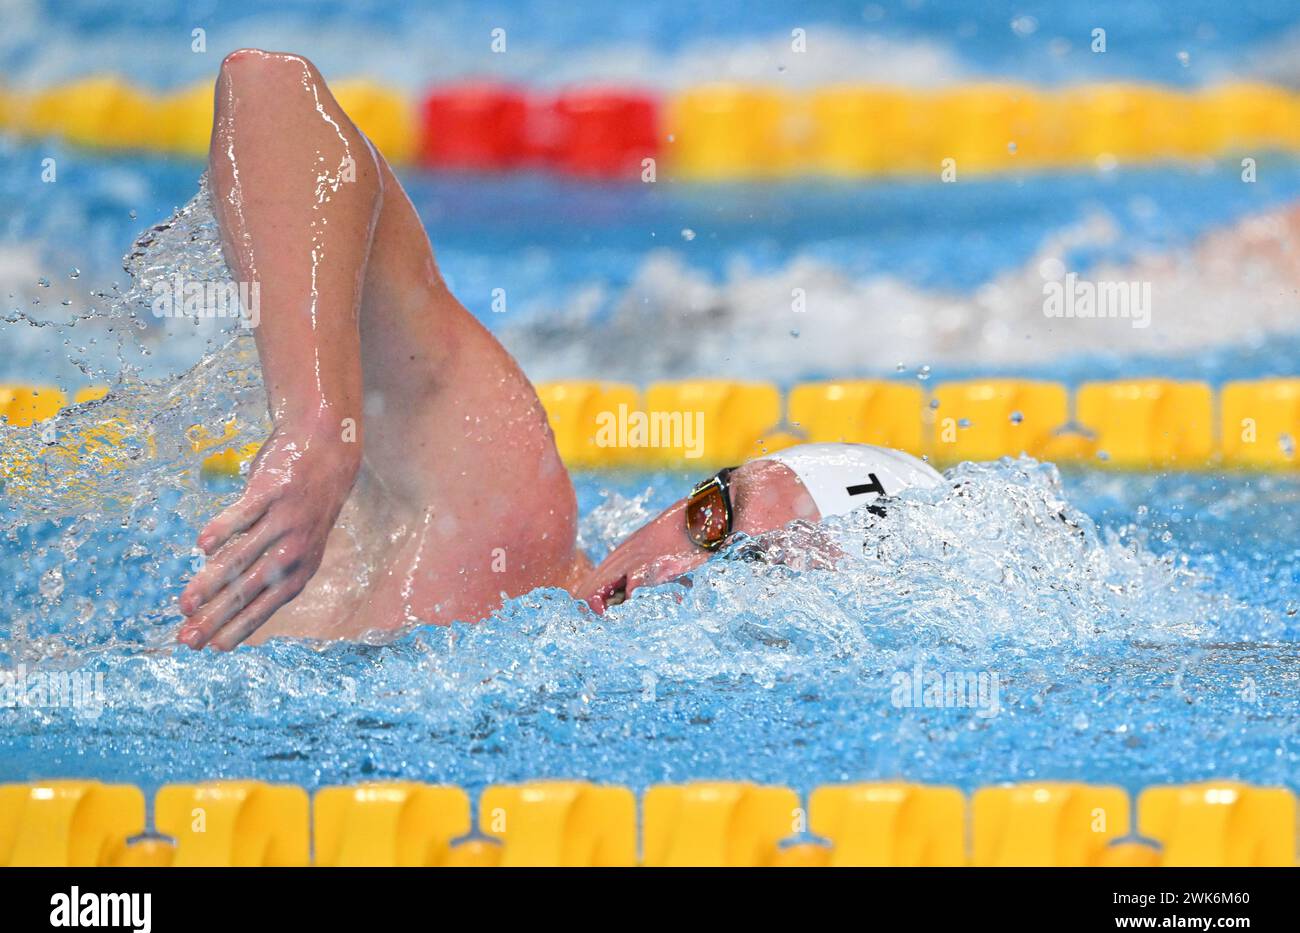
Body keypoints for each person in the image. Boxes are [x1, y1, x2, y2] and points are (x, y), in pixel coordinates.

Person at [176, 49, 942, 651]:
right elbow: (271, 92)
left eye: (755, 575)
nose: (667, 575)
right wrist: (318, 420)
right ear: (682, 498)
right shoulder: (500, 534)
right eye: (709, 521)